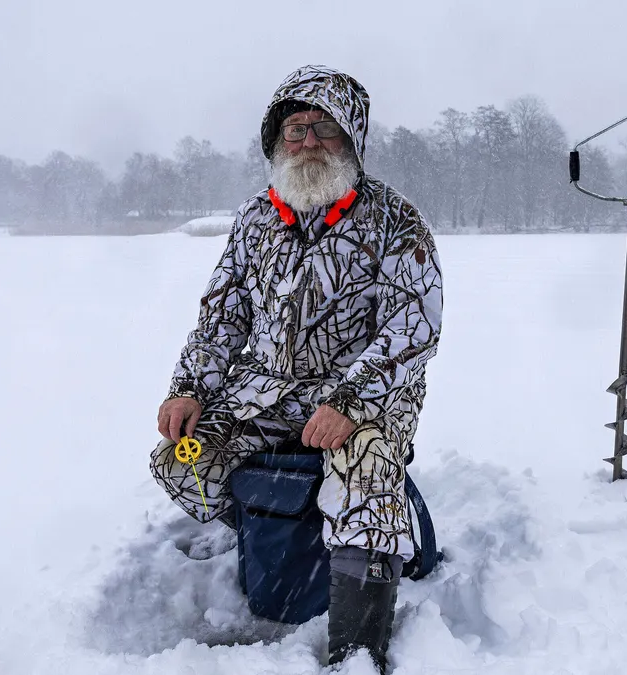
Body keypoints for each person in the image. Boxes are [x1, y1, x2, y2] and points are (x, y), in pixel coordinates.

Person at [149, 64, 443, 672]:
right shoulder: (255, 219)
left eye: (323, 129)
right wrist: (189, 389)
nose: (308, 143)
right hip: (265, 391)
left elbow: (412, 330)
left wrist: (352, 402)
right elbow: (221, 319)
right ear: (276, 141)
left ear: (352, 137)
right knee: (182, 459)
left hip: (364, 396)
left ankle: (357, 652)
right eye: (295, 130)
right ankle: (280, 532)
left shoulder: (396, 219)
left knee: (363, 479)